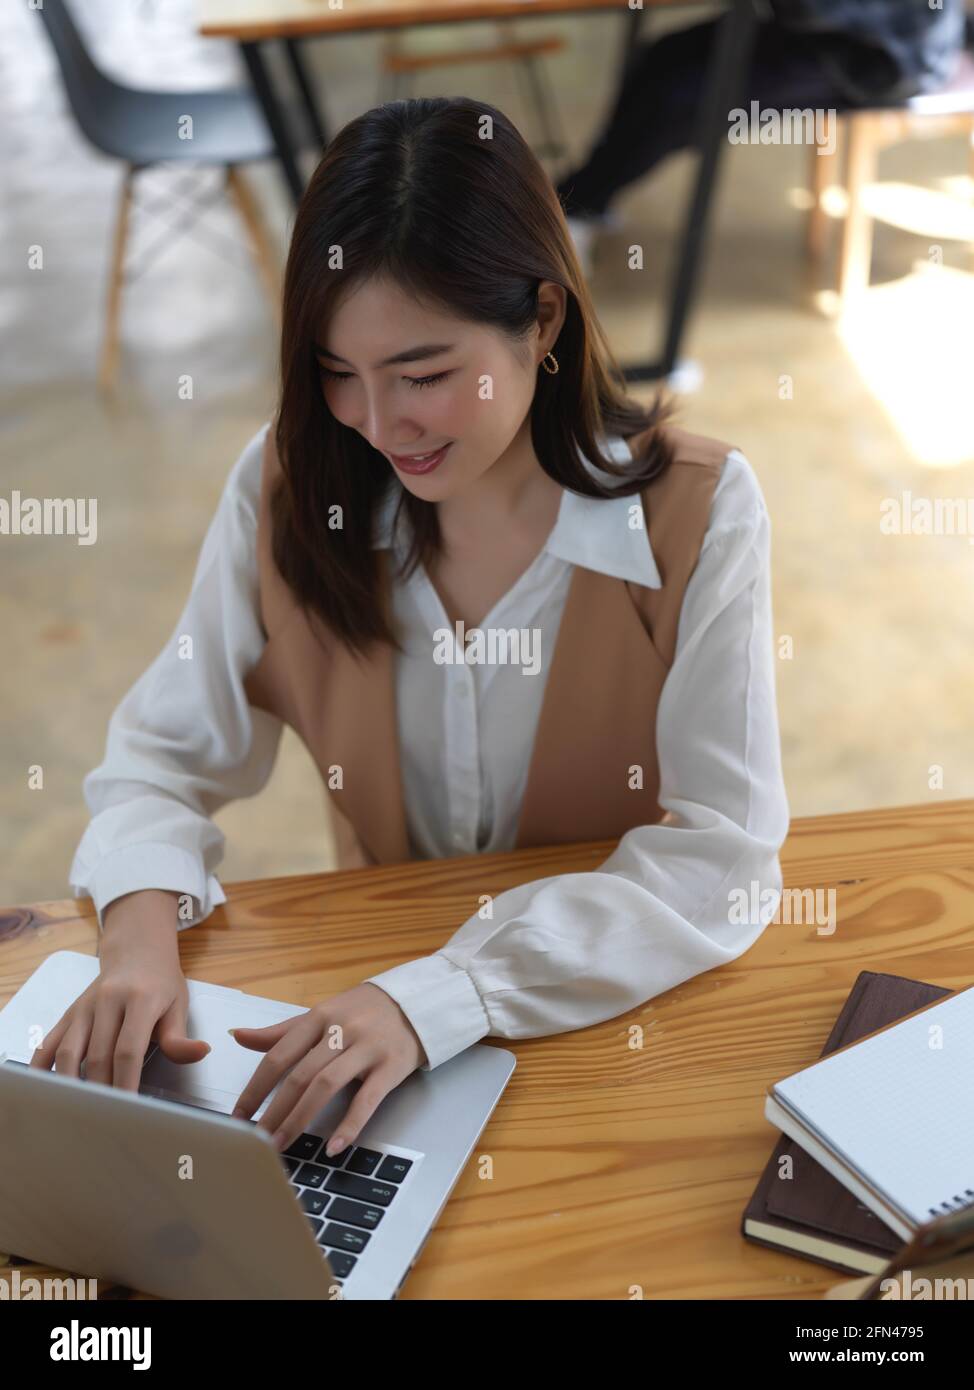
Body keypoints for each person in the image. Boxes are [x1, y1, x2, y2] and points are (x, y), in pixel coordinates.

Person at [34, 97, 790, 1161]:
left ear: (543, 321)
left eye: (424, 374)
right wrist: (137, 935)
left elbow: (725, 855)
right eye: (338, 374)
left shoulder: (697, 512)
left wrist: (444, 992)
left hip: (601, 1027)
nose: (379, 426)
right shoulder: (289, 491)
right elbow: (160, 755)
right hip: (370, 1058)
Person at [557, 0, 968, 267]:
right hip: (840, 32)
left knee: (681, 94)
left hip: (880, 56)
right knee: (665, 60)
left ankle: (581, 201)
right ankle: (589, 196)